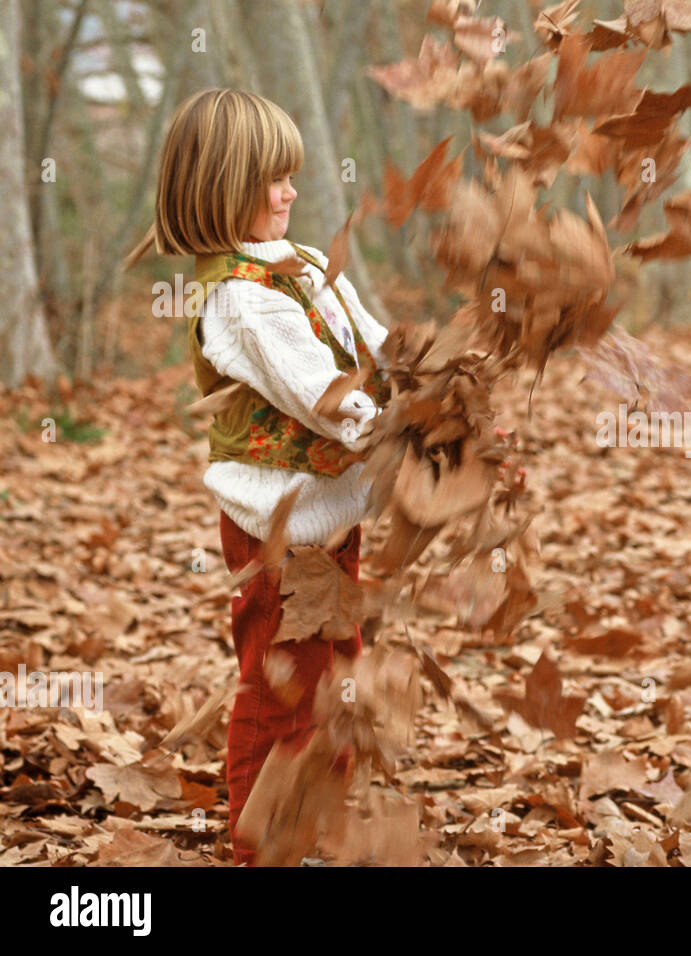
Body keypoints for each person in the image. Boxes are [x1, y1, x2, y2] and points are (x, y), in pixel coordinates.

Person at [148, 88, 391, 865]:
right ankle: (265, 847)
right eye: (271, 180)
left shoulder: (301, 264)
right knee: (282, 688)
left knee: (338, 675)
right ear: (222, 189)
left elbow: (369, 341)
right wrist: (400, 427)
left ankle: (314, 824)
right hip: (277, 533)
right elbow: (324, 400)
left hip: (332, 517)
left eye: (291, 175)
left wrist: (431, 380)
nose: (290, 192)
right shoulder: (240, 302)